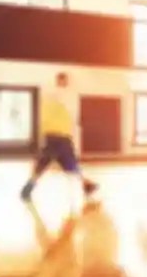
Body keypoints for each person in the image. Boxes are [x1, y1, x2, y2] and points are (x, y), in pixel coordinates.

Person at [20, 72, 99, 201]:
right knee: (54, 164)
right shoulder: (59, 96)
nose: (66, 83)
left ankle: (86, 185)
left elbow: (65, 118)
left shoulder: (52, 95)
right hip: (56, 137)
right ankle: (86, 185)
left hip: (58, 137)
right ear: (60, 81)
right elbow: (64, 116)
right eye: (65, 81)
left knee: (65, 164)